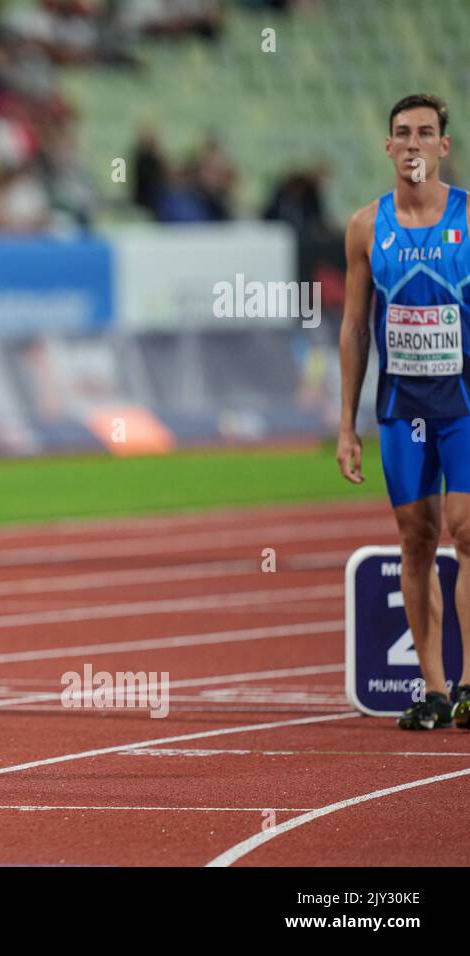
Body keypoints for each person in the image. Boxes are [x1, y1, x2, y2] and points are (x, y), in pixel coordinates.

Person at [337, 93, 470, 730]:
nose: (413, 144)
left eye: (425, 133)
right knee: (415, 540)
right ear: (388, 148)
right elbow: (354, 328)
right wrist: (345, 426)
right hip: (401, 406)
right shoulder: (366, 226)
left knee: (466, 530)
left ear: (445, 146)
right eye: (402, 134)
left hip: (465, 402)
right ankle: (436, 690)